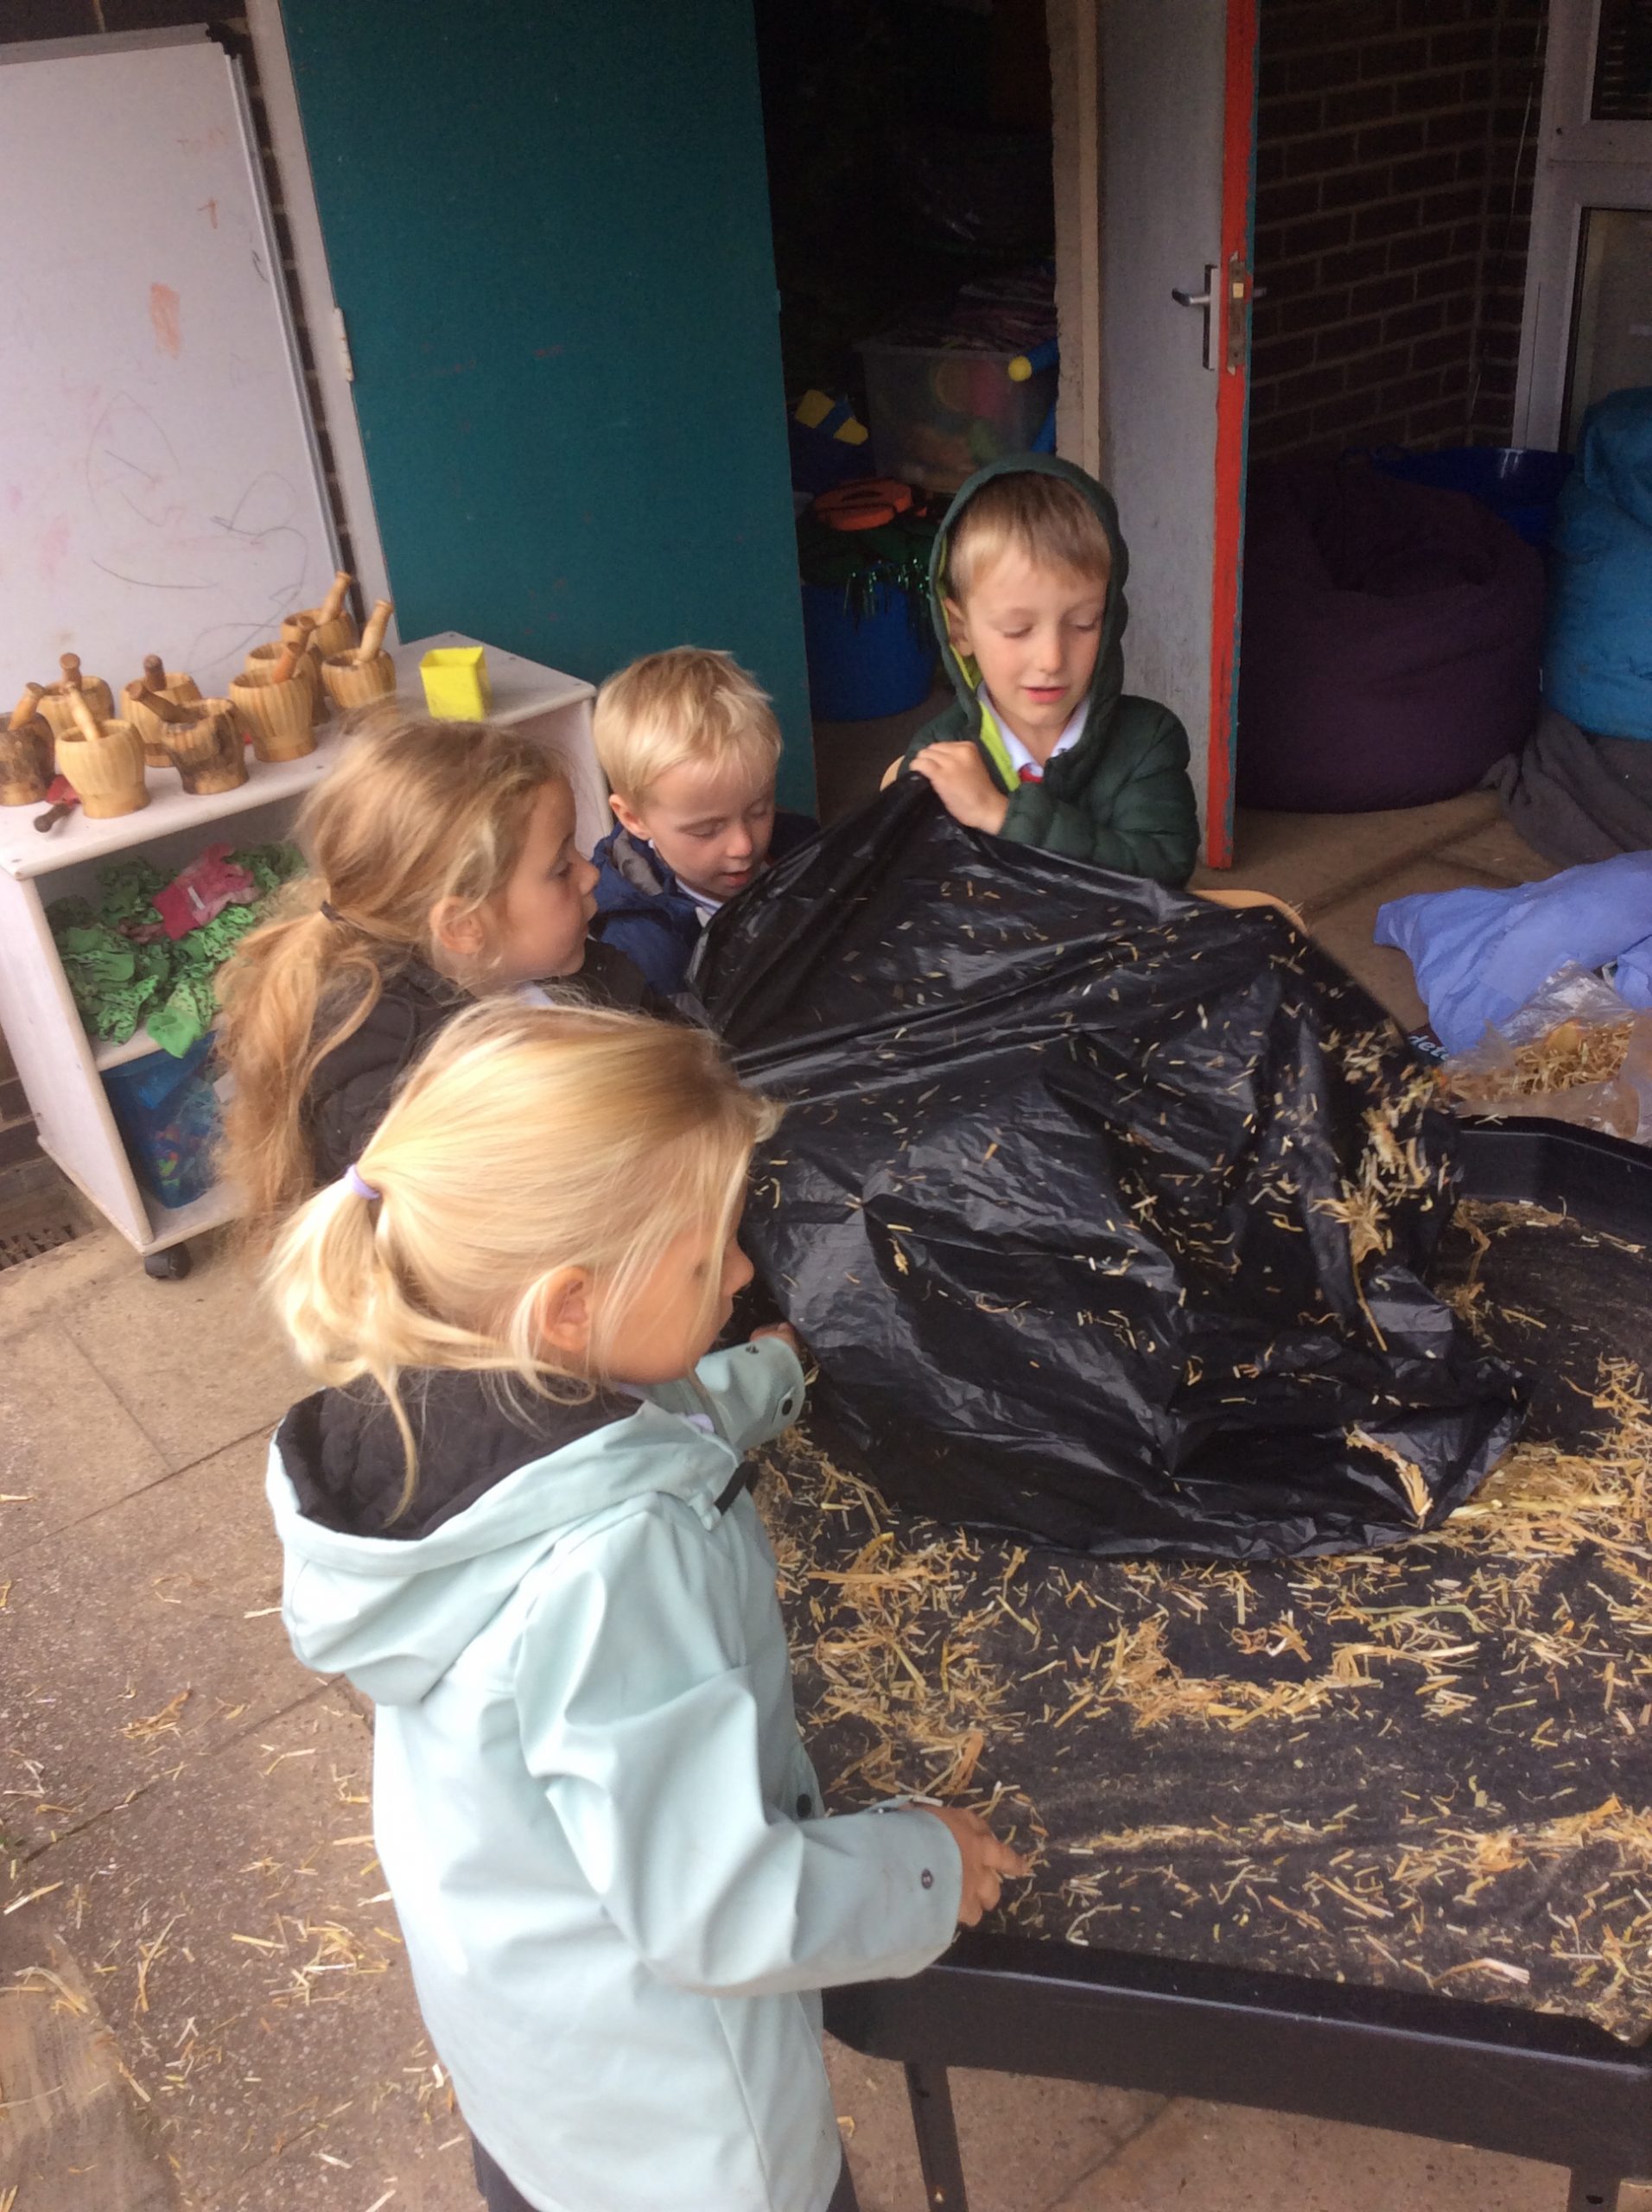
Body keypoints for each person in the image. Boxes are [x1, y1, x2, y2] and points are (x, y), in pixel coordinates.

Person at [264, 999, 1026, 2212]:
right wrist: (924, 1866)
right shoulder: (617, 1561)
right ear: (570, 1305)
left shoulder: (424, 1409)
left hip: (534, 2052)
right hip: (685, 2137)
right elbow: (718, 1906)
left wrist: (765, 1371)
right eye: (709, 1251)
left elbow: (635, 1421)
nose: (739, 1270)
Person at [216, 709, 673, 1245]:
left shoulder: (547, 965)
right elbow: (483, 1257)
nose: (590, 871)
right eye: (559, 868)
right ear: (463, 926)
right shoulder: (395, 1093)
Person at [889, 454, 1200, 886]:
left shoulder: (1148, 740)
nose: (1052, 659)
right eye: (1017, 630)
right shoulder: (940, 751)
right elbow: (921, 896)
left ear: (1109, 621)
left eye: (1082, 624)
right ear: (960, 631)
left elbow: (1162, 872)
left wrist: (1000, 815)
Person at [590, 647, 816, 996]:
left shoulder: (800, 846)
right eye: (706, 830)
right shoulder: (642, 952)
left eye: (759, 810)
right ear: (633, 819)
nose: (744, 845)